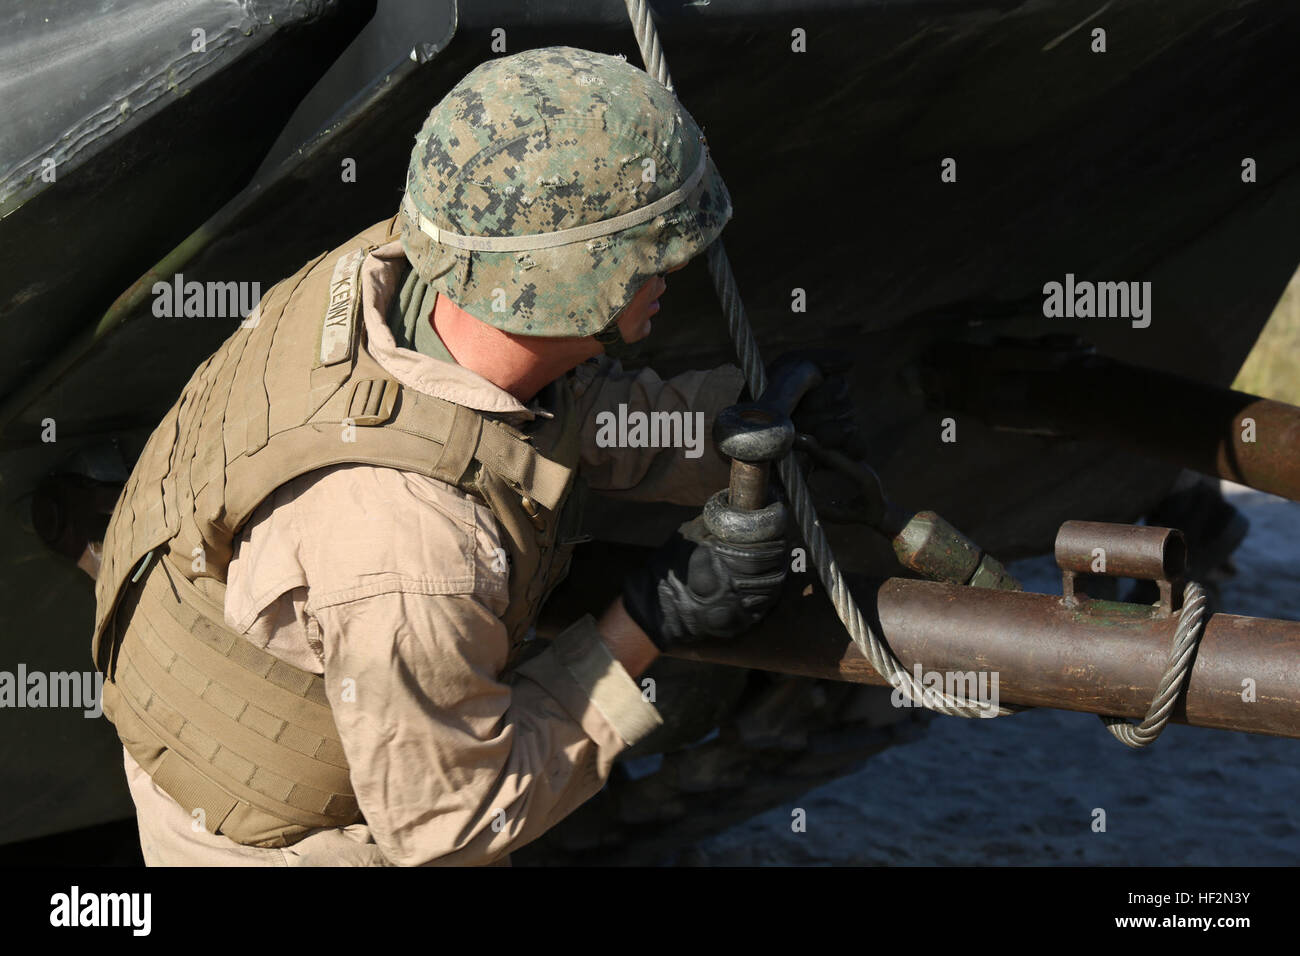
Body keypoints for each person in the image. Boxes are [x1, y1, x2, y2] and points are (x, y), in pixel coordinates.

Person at [89, 46, 849, 866]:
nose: (676, 266)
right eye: (651, 251)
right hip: (304, 841)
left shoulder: (399, 272)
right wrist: (651, 619)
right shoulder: (409, 546)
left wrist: (726, 427)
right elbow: (455, 826)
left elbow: (533, 416)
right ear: (568, 284)